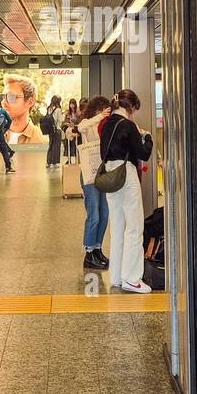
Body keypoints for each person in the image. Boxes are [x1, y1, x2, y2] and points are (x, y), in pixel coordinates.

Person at [100, 89, 154, 293]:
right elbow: (144, 154)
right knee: (134, 226)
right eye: (134, 110)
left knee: (118, 226)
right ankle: (132, 278)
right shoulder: (129, 125)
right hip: (127, 175)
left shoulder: (106, 125)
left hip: (110, 177)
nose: (134, 114)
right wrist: (146, 137)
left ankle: (116, 276)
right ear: (130, 107)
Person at [78, 96, 112, 270]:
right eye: (102, 110)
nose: (105, 113)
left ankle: (98, 248)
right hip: (89, 174)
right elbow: (80, 127)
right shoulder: (88, 123)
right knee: (94, 215)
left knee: (104, 213)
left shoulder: (105, 125)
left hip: (103, 173)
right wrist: (99, 117)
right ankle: (89, 253)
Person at [0, 73, 42, 144]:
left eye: (11, 97)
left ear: (30, 102)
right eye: (3, 97)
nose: (3, 102)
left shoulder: (41, 141)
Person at [43, 94, 63, 169]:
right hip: (57, 130)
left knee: (51, 145)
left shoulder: (49, 108)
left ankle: (48, 162)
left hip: (50, 130)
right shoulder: (58, 109)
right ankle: (55, 162)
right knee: (56, 146)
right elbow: (60, 121)